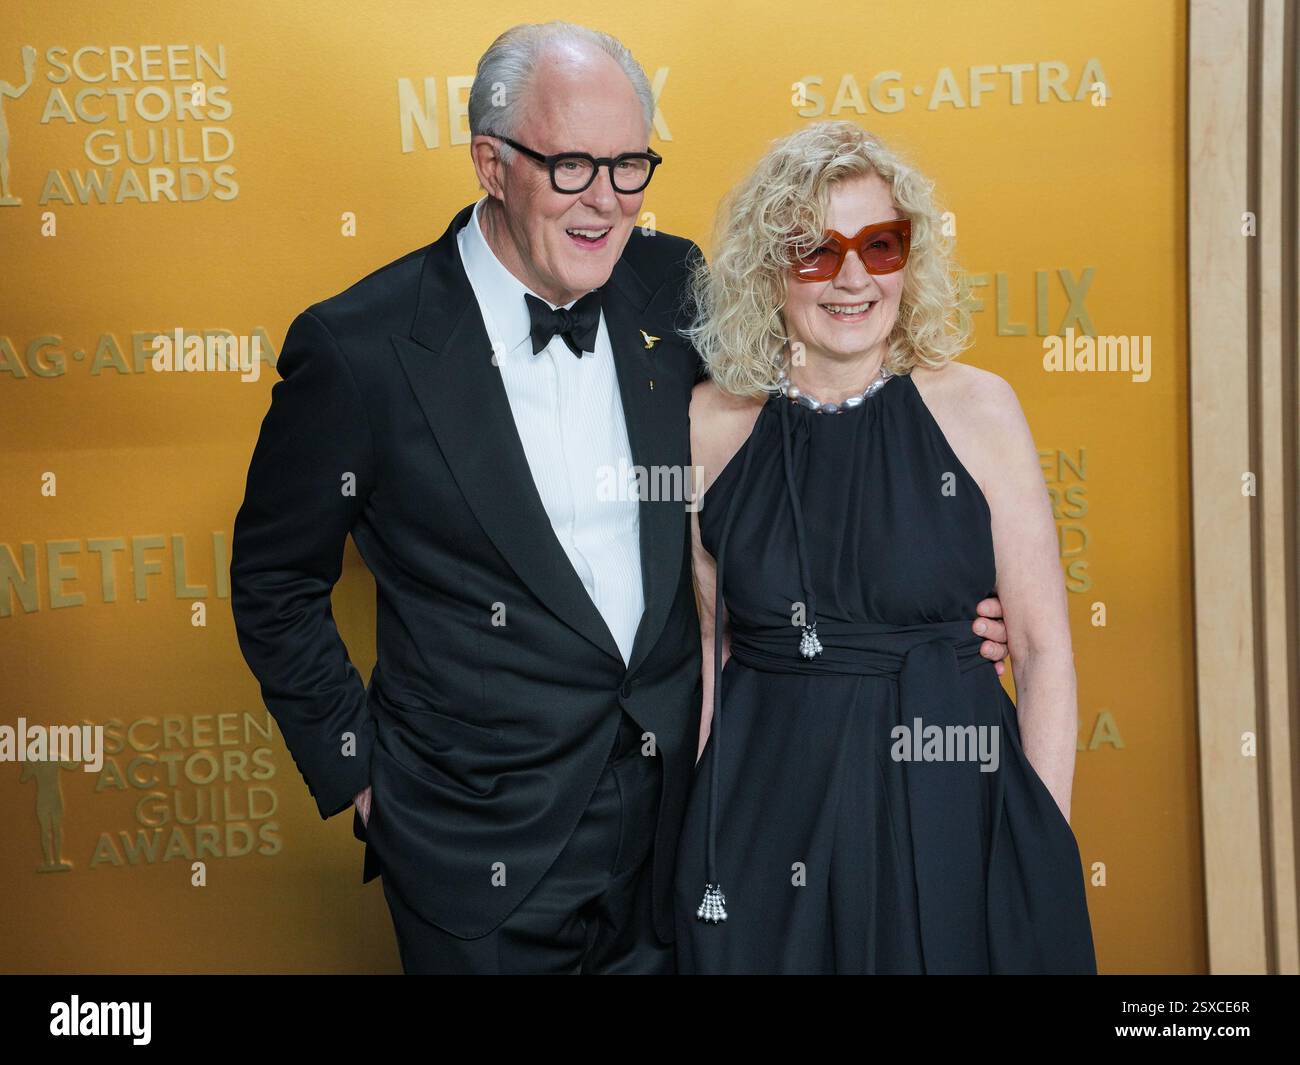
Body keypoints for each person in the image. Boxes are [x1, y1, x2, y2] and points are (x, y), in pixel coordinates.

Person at [230, 23, 1009, 975]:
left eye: (629, 164)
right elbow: (274, 578)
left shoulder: (673, 284)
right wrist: (358, 773)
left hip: (684, 825)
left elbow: (809, 434)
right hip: (474, 848)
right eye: (570, 167)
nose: (606, 201)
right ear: (491, 162)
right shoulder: (359, 348)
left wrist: (930, 603)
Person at [673, 120, 1096, 974]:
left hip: (950, 801)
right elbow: (713, 658)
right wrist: (702, 837)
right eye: (816, 252)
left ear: (911, 255)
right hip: (764, 813)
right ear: (770, 266)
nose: (855, 278)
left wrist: (1036, 843)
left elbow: (1045, 650)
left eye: (881, 243)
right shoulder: (708, 424)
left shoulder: (978, 408)